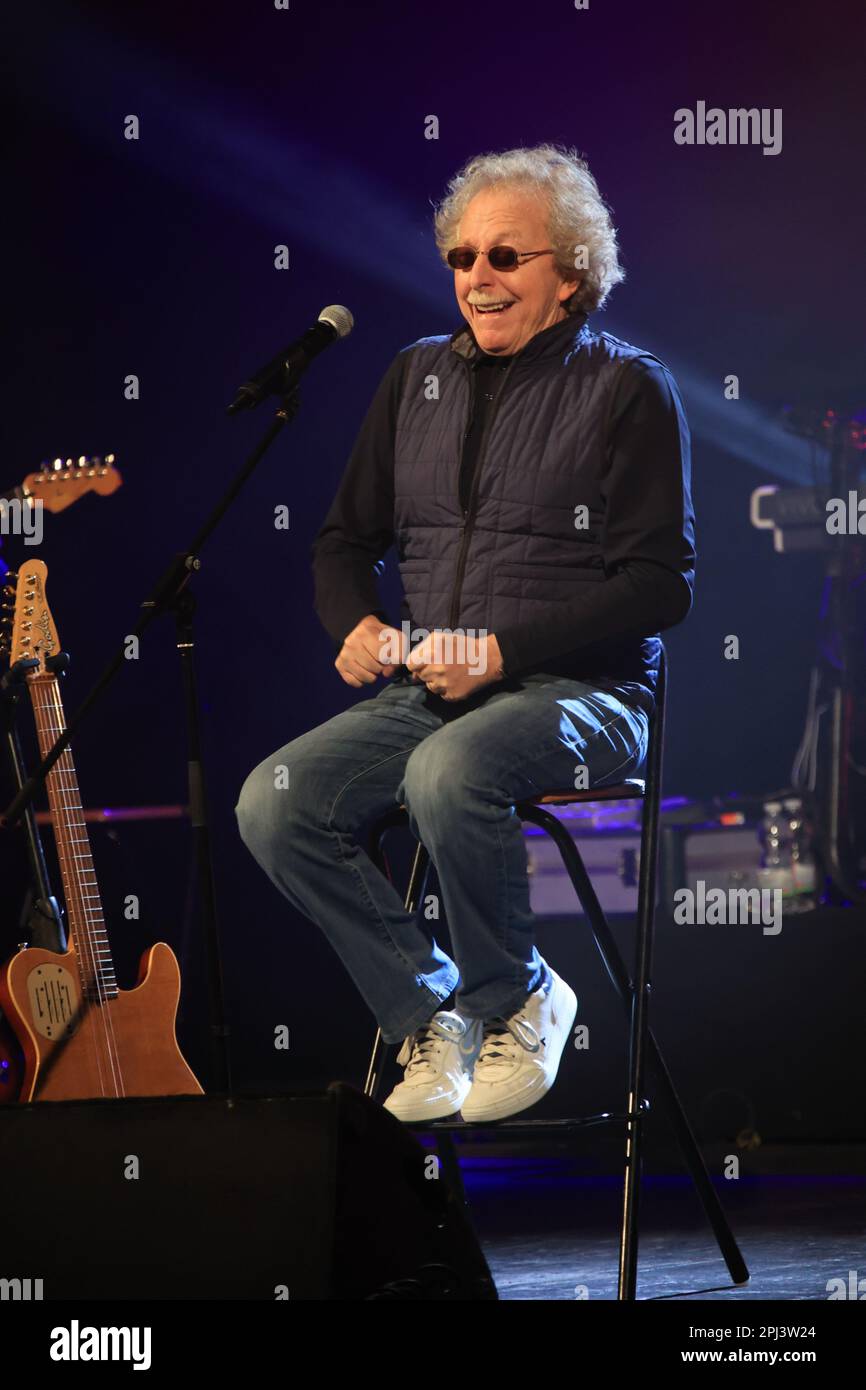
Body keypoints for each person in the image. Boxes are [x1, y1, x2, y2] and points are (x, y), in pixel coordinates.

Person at [236, 143, 696, 1123]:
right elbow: (341, 543)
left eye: (504, 258)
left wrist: (503, 650)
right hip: (433, 689)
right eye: (461, 258)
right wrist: (354, 622)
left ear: (570, 271)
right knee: (275, 804)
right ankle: (428, 1007)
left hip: (586, 694)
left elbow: (659, 587)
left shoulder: (626, 388)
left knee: (448, 771)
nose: (475, 279)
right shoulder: (413, 379)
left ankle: (519, 996)